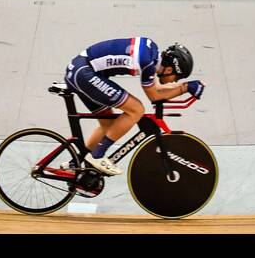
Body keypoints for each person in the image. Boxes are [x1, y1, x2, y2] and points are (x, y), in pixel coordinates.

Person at [63, 38, 199, 176]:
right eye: (177, 78)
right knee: (136, 110)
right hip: (84, 74)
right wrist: (185, 88)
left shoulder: (151, 54)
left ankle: (77, 162)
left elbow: (157, 88)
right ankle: (97, 156)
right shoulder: (147, 62)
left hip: (81, 70)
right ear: (169, 69)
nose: (175, 81)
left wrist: (185, 87)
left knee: (109, 124)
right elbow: (155, 96)